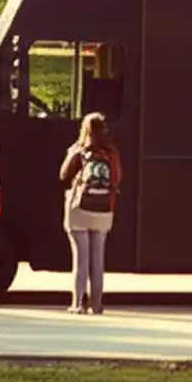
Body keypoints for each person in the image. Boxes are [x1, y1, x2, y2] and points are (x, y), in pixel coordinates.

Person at [59, 113, 121, 315]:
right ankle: (97, 304)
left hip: (80, 210)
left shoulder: (79, 150)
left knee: (81, 258)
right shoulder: (111, 153)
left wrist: (73, 153)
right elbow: (118, 178)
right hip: (103, 210)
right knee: (98, 259)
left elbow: (64, 175)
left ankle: (77, 303)